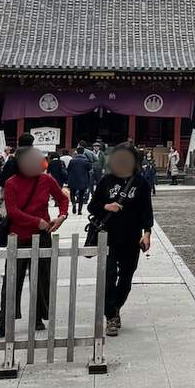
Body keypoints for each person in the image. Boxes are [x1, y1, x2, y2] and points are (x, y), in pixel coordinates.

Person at [0, 146, 68, 337]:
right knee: (12, 278)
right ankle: (5, 319)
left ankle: (38, 316)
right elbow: (13, 211)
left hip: (42, 235)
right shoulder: (12, 183)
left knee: (41, 277)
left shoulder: (46, 180)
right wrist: (36, 221)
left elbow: (62, 198)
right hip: (19, 235)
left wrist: (62, 216)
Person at [86, 142, 154, 336]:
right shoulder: (107, 180)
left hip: (131, 237)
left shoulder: (141, 183)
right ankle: (111, 316)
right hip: (108, 236)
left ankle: (115, 307)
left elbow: (146, 210)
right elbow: (92, 206)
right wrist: (107, 206)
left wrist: (147, 232)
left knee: (126, 277)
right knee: (108, 277)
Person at [66, 145, 93, 215]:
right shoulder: (86, 161)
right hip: (83, 180)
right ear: (83, 152)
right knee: (81, 196)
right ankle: (79, 210)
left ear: (77, 152)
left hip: (73, 180)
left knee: (72, 194)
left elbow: (68, 170)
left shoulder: (72, 161)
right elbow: (90, 169)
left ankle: (74, 203)